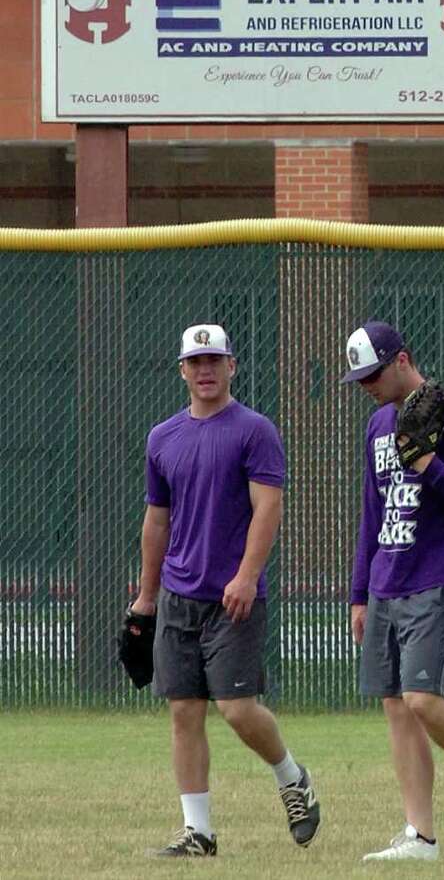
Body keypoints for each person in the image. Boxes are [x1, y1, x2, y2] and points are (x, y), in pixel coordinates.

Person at [131, 322, 320, 858]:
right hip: (177, 595)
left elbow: (269, 507)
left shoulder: (254, 429)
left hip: (232, 595)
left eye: (215, 360)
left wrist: (247, 575)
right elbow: (156, 521)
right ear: (182, 371)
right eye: (196, 362)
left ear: (232, 366)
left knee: (237, 708)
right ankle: (199, 832)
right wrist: (147, 596)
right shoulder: (163, 437)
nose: (205, 369)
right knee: (184, 712)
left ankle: (292, 778)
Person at [344, 319, 444, 863]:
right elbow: (373, 511)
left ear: (402, 359)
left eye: (372, 373)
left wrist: (431, 468)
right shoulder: (376, 426)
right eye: (359, 377)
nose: (366, 385)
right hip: (388, 577)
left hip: (437, 573)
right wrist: (360, 592)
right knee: (396, 706)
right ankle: (421, 836)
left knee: (423, 698)